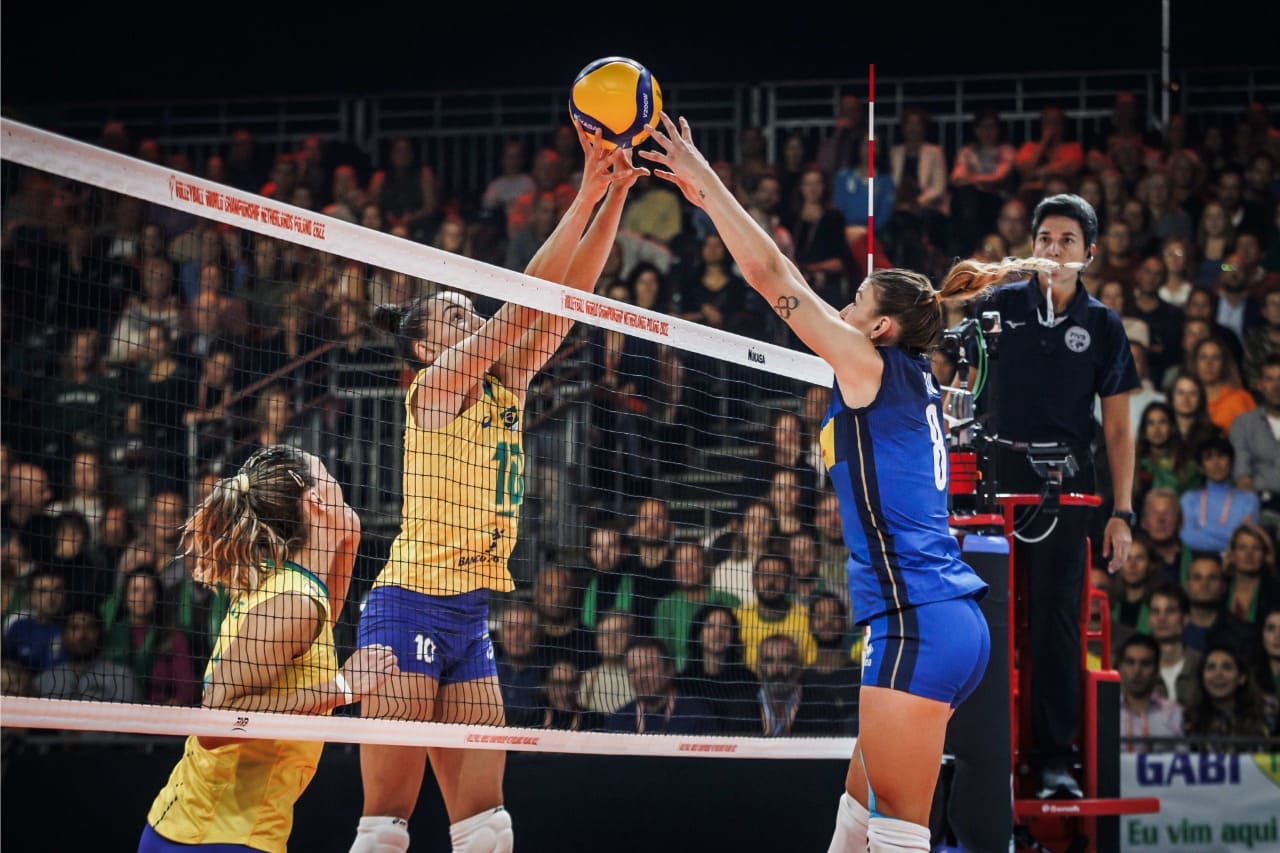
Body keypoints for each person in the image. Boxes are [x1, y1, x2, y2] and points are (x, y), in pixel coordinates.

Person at [642, 112, 992, 853]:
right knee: (855, 819)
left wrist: (702, 179)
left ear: (880, 328)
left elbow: (774, 277)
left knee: (897, 834)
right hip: (941, 622)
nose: (843, 308)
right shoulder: (908, 379)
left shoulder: (869, 367)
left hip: (916, 622)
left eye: (857, 302)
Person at [349, 130, 644, 853]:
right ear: (426, 349)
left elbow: (567, 299)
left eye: (469, 310)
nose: (473, 318)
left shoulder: (504, 382)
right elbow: (526, 300)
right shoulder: (434, 387)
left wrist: (616, 196)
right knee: (386, 828)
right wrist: (585, 188)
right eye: (455, 316)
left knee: (487, 829)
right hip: (408, 603)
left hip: (470, 614)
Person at [966, 192, 1140, 800]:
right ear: (1031, 246)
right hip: (992, 491)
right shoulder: (996, 307)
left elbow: (1117, 429)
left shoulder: (1103, 325)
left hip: (1067, 496)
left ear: (1088, 253)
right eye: (1045, 239)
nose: (1054, 250)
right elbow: (963, 388)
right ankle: (976, 753)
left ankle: (1053, 760)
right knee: (982, 621)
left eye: (1067, 241)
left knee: (1056, 625)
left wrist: (1122, 512)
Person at [139, 446, 396, 853]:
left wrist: (349, 536)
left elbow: (324, 620)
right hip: (214, 836)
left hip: (219, 829)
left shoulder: (297, 588)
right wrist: (342, 689)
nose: (338, 481)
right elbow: (215, 723)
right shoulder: (291, 603)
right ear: (315, 501)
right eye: (328, 474)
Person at [1116, 634, 1184, 753]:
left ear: (1157, 670)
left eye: (1145, 663)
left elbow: (1183, 759)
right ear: (1120, 668)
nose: (1137, 671)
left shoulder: (1174, 712)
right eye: (1130, 662)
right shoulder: (1105, 711)